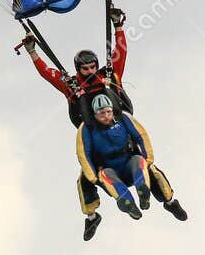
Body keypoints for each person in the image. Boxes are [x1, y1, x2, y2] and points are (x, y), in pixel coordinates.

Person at [23, 7, 185, 238]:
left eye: (91, 67)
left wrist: (118, 26)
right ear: (78, 69)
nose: (89, 72)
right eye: (84, 69)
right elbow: (49, 74)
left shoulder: (108, 76)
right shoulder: (72, 86)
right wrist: (33, 53)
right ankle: (91, 216)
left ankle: (169, 201)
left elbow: (121, 52)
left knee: (152, 169)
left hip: (126, 151)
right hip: (102, 158)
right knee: (83, 180)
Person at [77, 92, 187, 223]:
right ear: (95, 115)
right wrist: (93, 177)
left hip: (129, 164)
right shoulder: (87, 128)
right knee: (86, 179)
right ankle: (96, 216)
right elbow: (84, 153)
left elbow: (141, 135)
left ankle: (168, 202)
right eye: (101, 114)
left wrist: (148, 158)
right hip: (109, 170)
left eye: (108, 112)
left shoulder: (123, 118)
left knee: (147, 167)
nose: (106, 116)